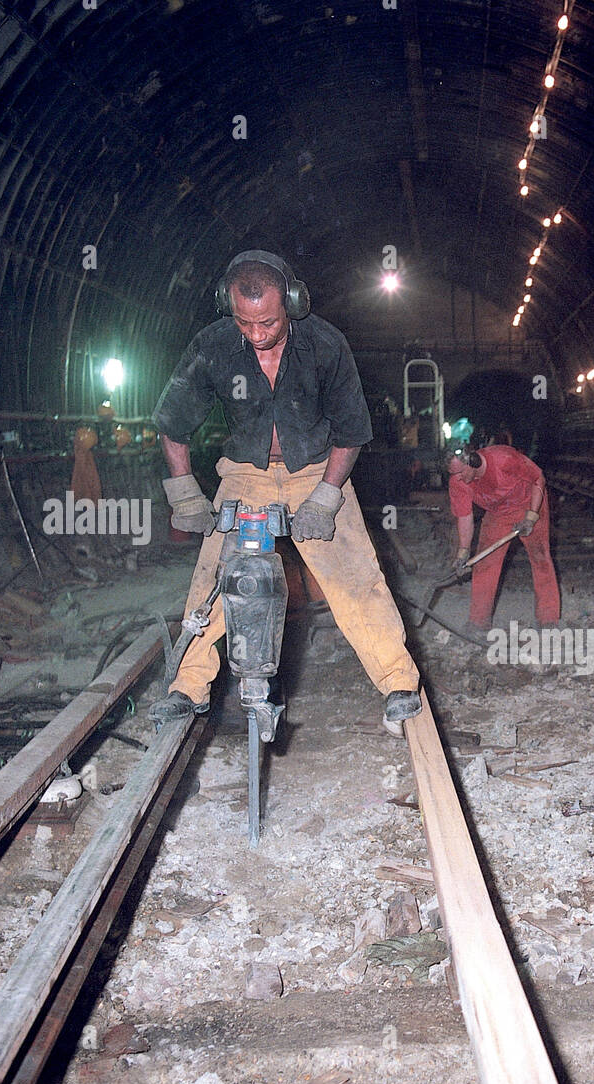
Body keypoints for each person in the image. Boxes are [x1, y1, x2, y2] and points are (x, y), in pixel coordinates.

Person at [150, 250, 422, 735]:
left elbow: (351, 431)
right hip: (245, 474)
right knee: (214, 582)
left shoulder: (324, 344)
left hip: (316, 471)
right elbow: (171, 423)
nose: (256, 334)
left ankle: (398, 683)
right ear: (228, 307)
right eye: (244, 322)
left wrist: (326, 497)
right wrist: (183, 491)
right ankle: (186, 688)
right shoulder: (213, 345)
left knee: (355, 579)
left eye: (268, 322)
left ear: (292, 302)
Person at [445, 443, 561, 631]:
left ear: (472, 462)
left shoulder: (503, 459)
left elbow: (538, 479)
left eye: (460, 473)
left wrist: (531, 517)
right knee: (484, 563)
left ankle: (548, 618)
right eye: (453, 474)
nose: (457, 479)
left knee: (540, 558)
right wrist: (463, 553)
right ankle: (478, 621)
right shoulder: (457, 483)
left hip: (530, 504)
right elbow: (465, 517)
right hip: (498, 513)